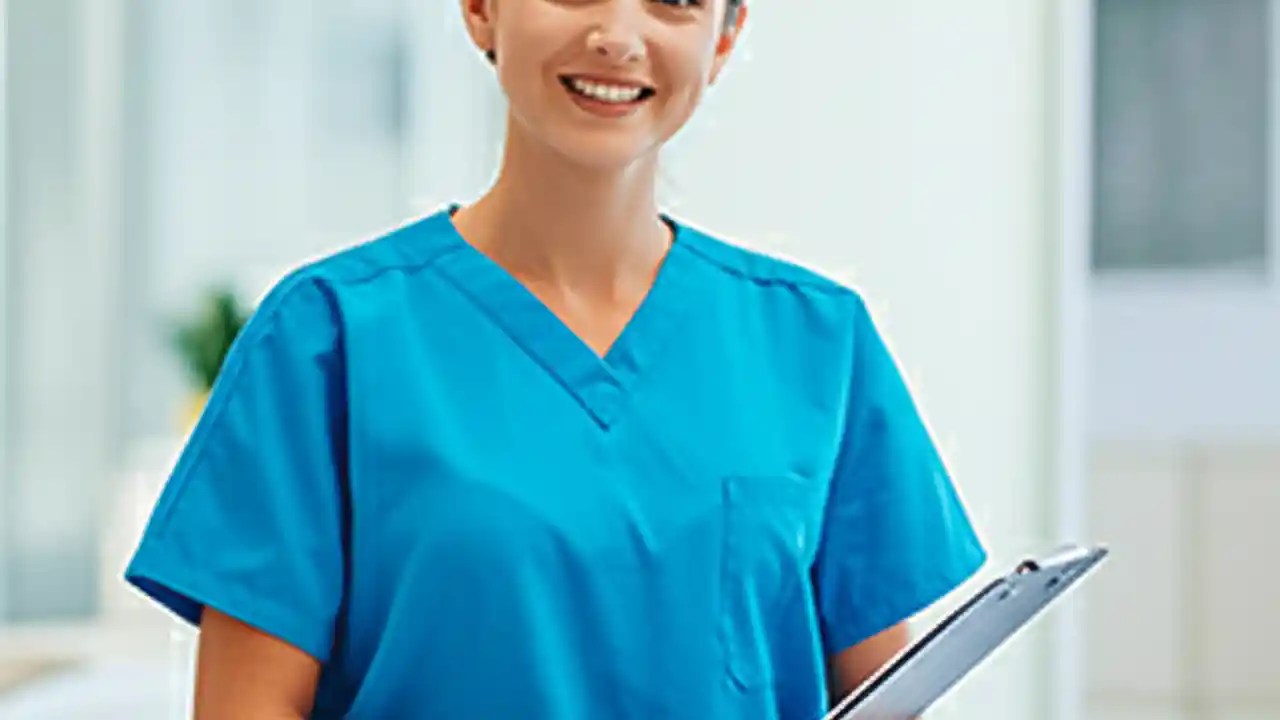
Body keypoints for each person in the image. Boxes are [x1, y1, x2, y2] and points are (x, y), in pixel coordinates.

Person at [124, 0, 988, 717]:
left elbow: (886, 702)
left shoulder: (817, 341)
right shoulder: (327, 338)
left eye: (676, 0)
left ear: (725, 37)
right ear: (480, 9)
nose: (618, 34)